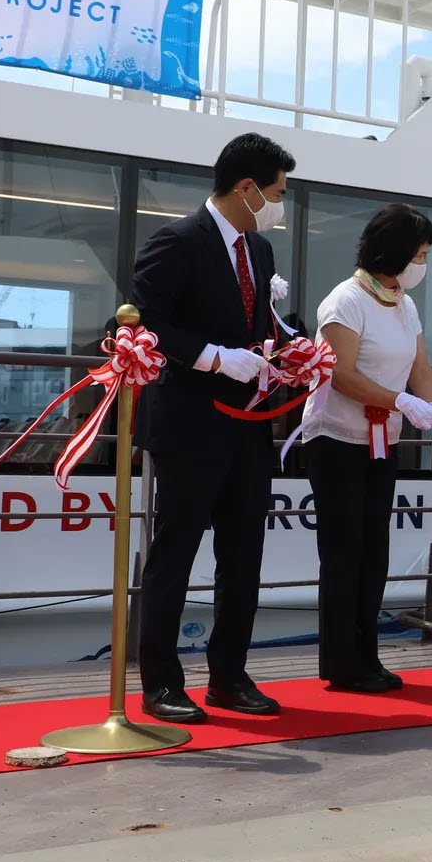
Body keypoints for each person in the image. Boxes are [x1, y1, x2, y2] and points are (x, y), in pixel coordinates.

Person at [130, 132, 295, 725]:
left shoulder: (260, 252)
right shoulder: (175, 242)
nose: (281, 204)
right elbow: (145, 323)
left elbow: (264, 321)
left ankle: (228, 676)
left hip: (249, 429)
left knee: (243, 556)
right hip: (189, 425)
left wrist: (290, 353)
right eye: (277, 192)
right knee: (173, 556)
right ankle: (160, 683)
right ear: (247, 189)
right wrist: (217, 358)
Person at [302, 204, 432, 693]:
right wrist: (401, 401)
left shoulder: (402, 301)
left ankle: (367, 654)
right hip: (337, 439)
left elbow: (420, 369)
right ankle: (342, 661)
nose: (422, 265)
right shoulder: (346, 301)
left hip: (383, 440)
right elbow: (341, 373)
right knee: (343, 551)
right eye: (418, 255)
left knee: (375, 552)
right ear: (393, 252)